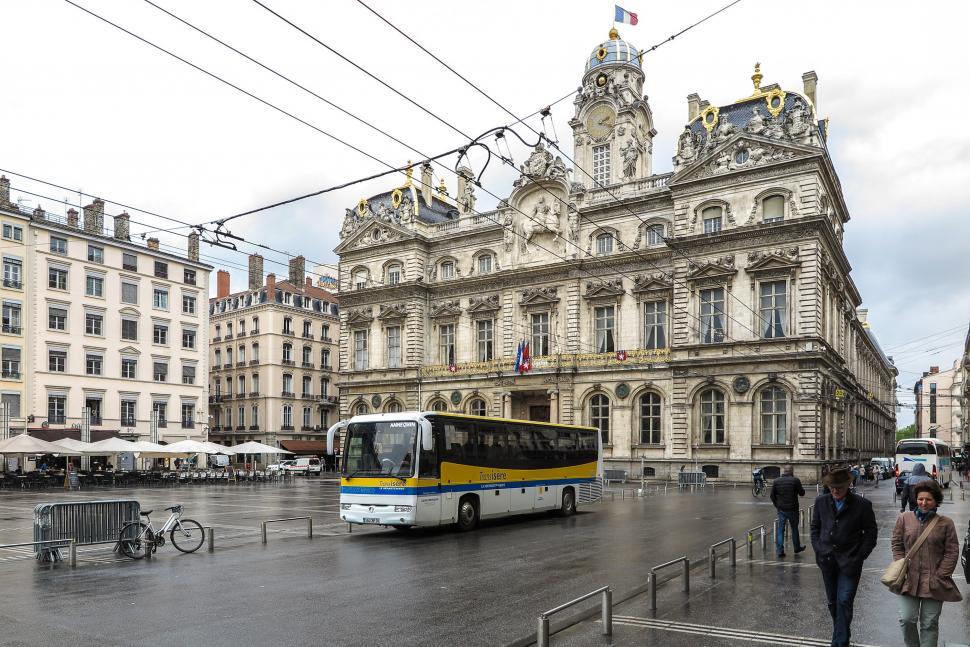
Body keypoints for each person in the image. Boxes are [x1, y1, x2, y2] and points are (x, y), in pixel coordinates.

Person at [811, 466, 878, 647]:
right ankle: (843, 634)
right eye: (832, 487)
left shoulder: (862, 505)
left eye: (838, 488)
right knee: (833, 602)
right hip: (827, 560)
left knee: (844, 600)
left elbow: (871, 533)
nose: (835, 491)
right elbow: (815, 528)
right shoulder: (821, 502)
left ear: (848, 485)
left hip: (850, 562)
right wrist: (818, 548)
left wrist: (860, 556)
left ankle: (839, 643)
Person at [890, 479, 962, 646]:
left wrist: (940, 575)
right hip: (909, 579)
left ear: (936, 501)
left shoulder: (946, 523)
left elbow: (952, 551)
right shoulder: (904, 518)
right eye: (921, 499)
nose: (924, 503)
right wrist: (901, 565)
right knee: (906, 619)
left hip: (934, 582)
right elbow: (896, 543)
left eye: (928, 499)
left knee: (929, 624)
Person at [770, 464, 806, 557]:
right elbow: (802, 493)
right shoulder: (795, 481)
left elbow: (772, 495)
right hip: (793, 509)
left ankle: (780, 551)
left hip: (781, 509)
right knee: (794, 529)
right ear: (791, 471)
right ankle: (797, 548)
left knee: (780, 530)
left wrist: (777, 505)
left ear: (784, 471)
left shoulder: (776, 481)